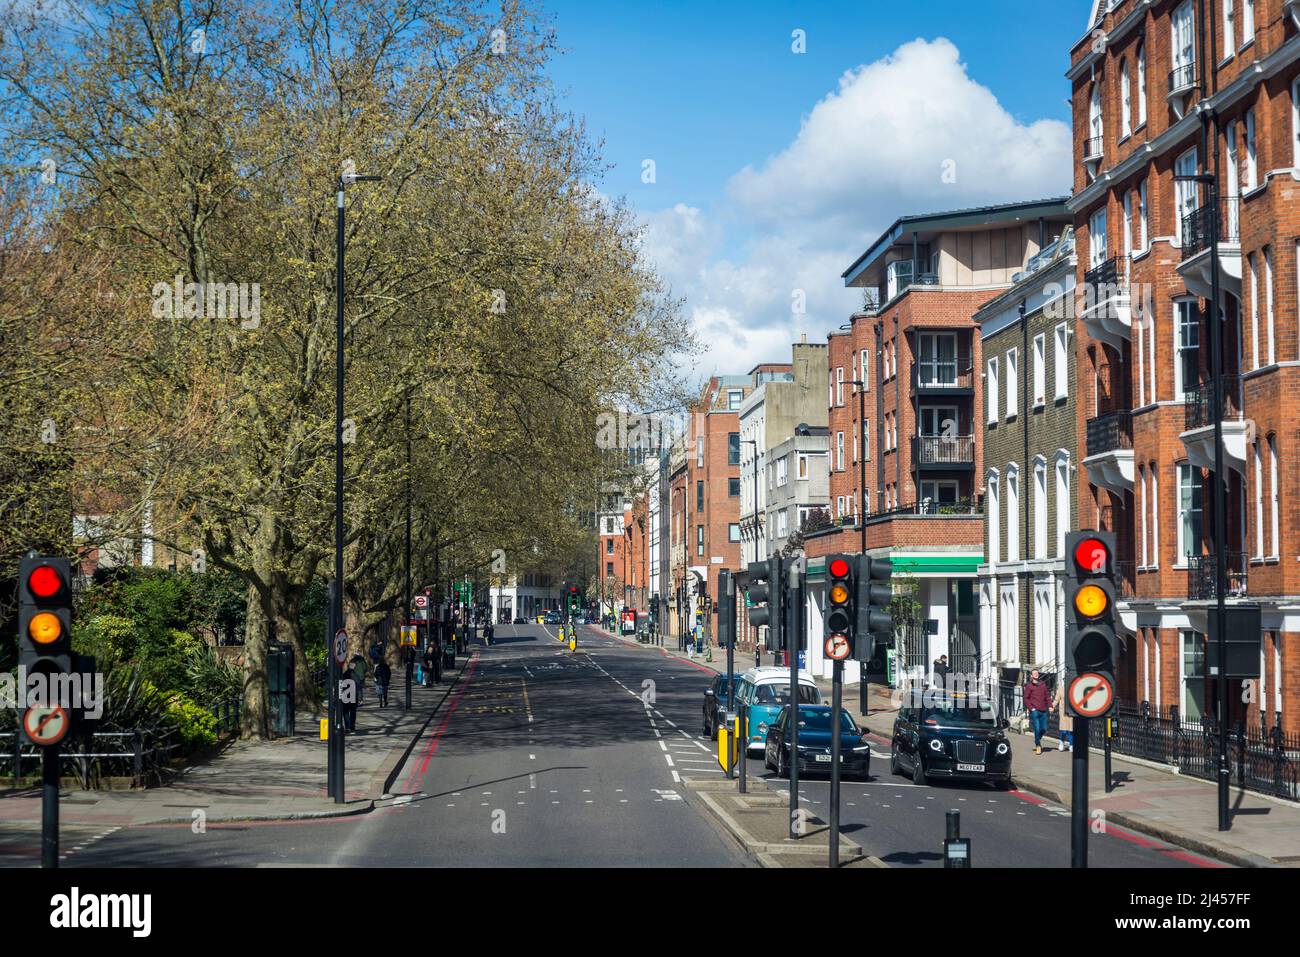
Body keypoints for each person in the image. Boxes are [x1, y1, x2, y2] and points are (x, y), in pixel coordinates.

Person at [1023, 669, 1052, 754]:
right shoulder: (1029, 686)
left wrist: (1050, 706)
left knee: (1044, 729)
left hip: (1043, 710)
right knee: (1037, 728)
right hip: (1034, 710)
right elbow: (1026, 698)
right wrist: (1031, 708)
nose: (1036, 674)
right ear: (1031, 676)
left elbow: (1047, 696)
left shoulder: (1043, 684)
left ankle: (1037, 739)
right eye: (1034, 673)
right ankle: (1038, 745)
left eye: (1037, 673)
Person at [1053, 680, 1074, 752]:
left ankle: (1071, 744)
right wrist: (1052, 706)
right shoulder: (1061, 689)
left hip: (1072, 712)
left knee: (1071, 730)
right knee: (1064, 729)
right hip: (1063, 712)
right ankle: (1061, 742)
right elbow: (1056, 699)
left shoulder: (1074, 688)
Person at [341, 661, 358, 732]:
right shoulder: (356, 676)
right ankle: (352, 726)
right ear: (354, 668)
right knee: (353, 712)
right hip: (353, 696)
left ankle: (347, 726)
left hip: (345, 696)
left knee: (345, 711)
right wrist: (360, 697)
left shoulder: (343, 675)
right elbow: (358, 687)